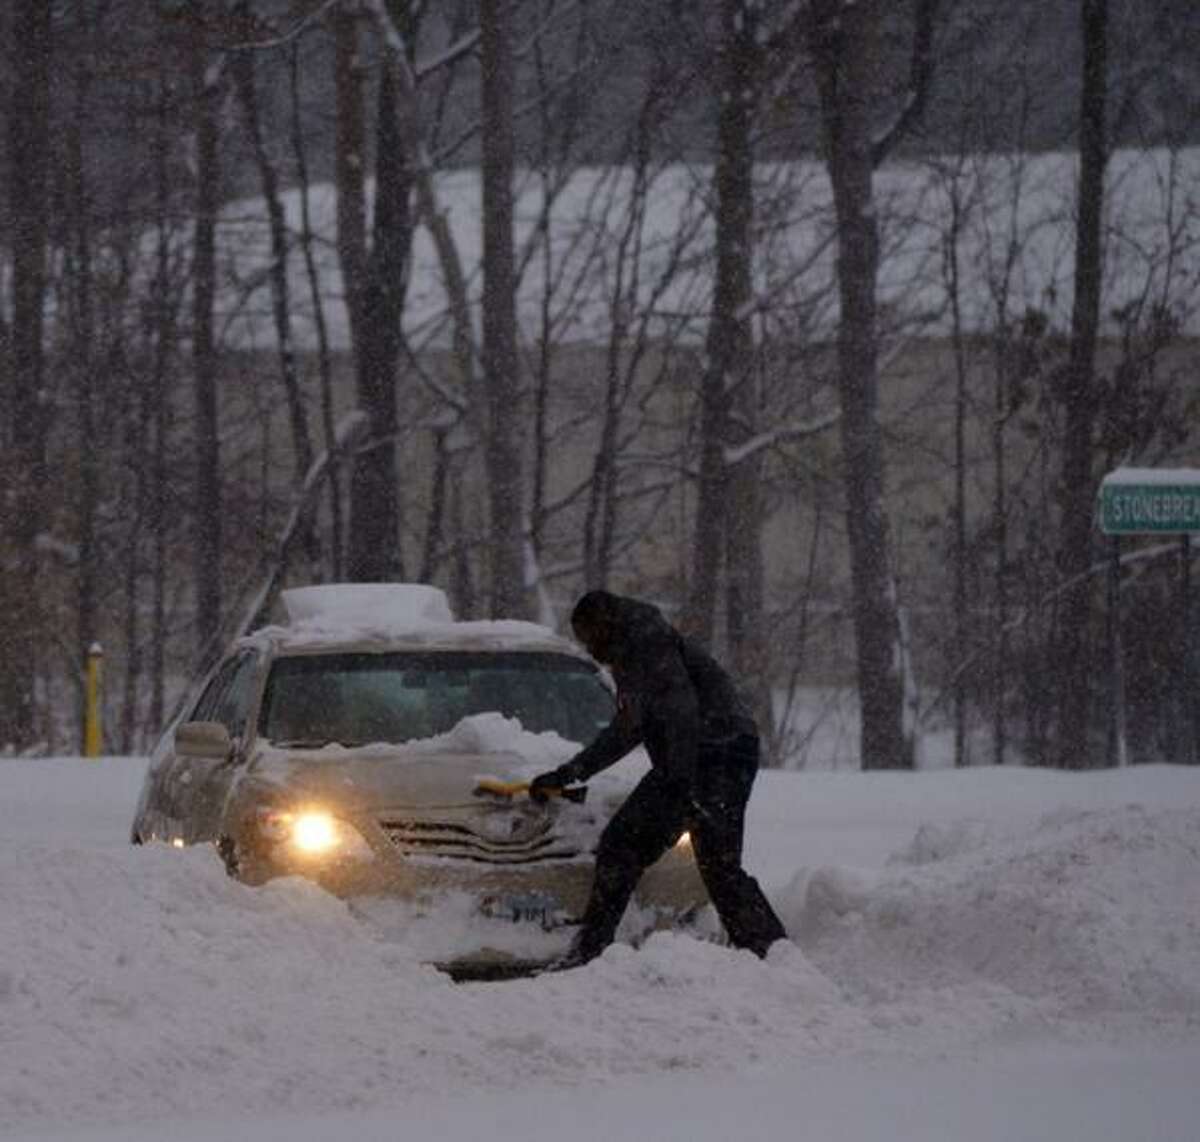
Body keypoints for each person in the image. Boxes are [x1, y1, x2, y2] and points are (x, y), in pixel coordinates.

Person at [530, 589, 787, 969]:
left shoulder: (646, 645)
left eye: (588, 638)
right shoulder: (634, 649)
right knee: (718, 866)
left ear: (605, 624)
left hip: (713, 752)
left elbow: (681, 711)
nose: (589, 649)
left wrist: (679, 784)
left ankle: (589, 953)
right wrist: (570, 772)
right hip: (721, 750)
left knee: (623, 846)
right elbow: (628, 728)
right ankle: (772, 954)